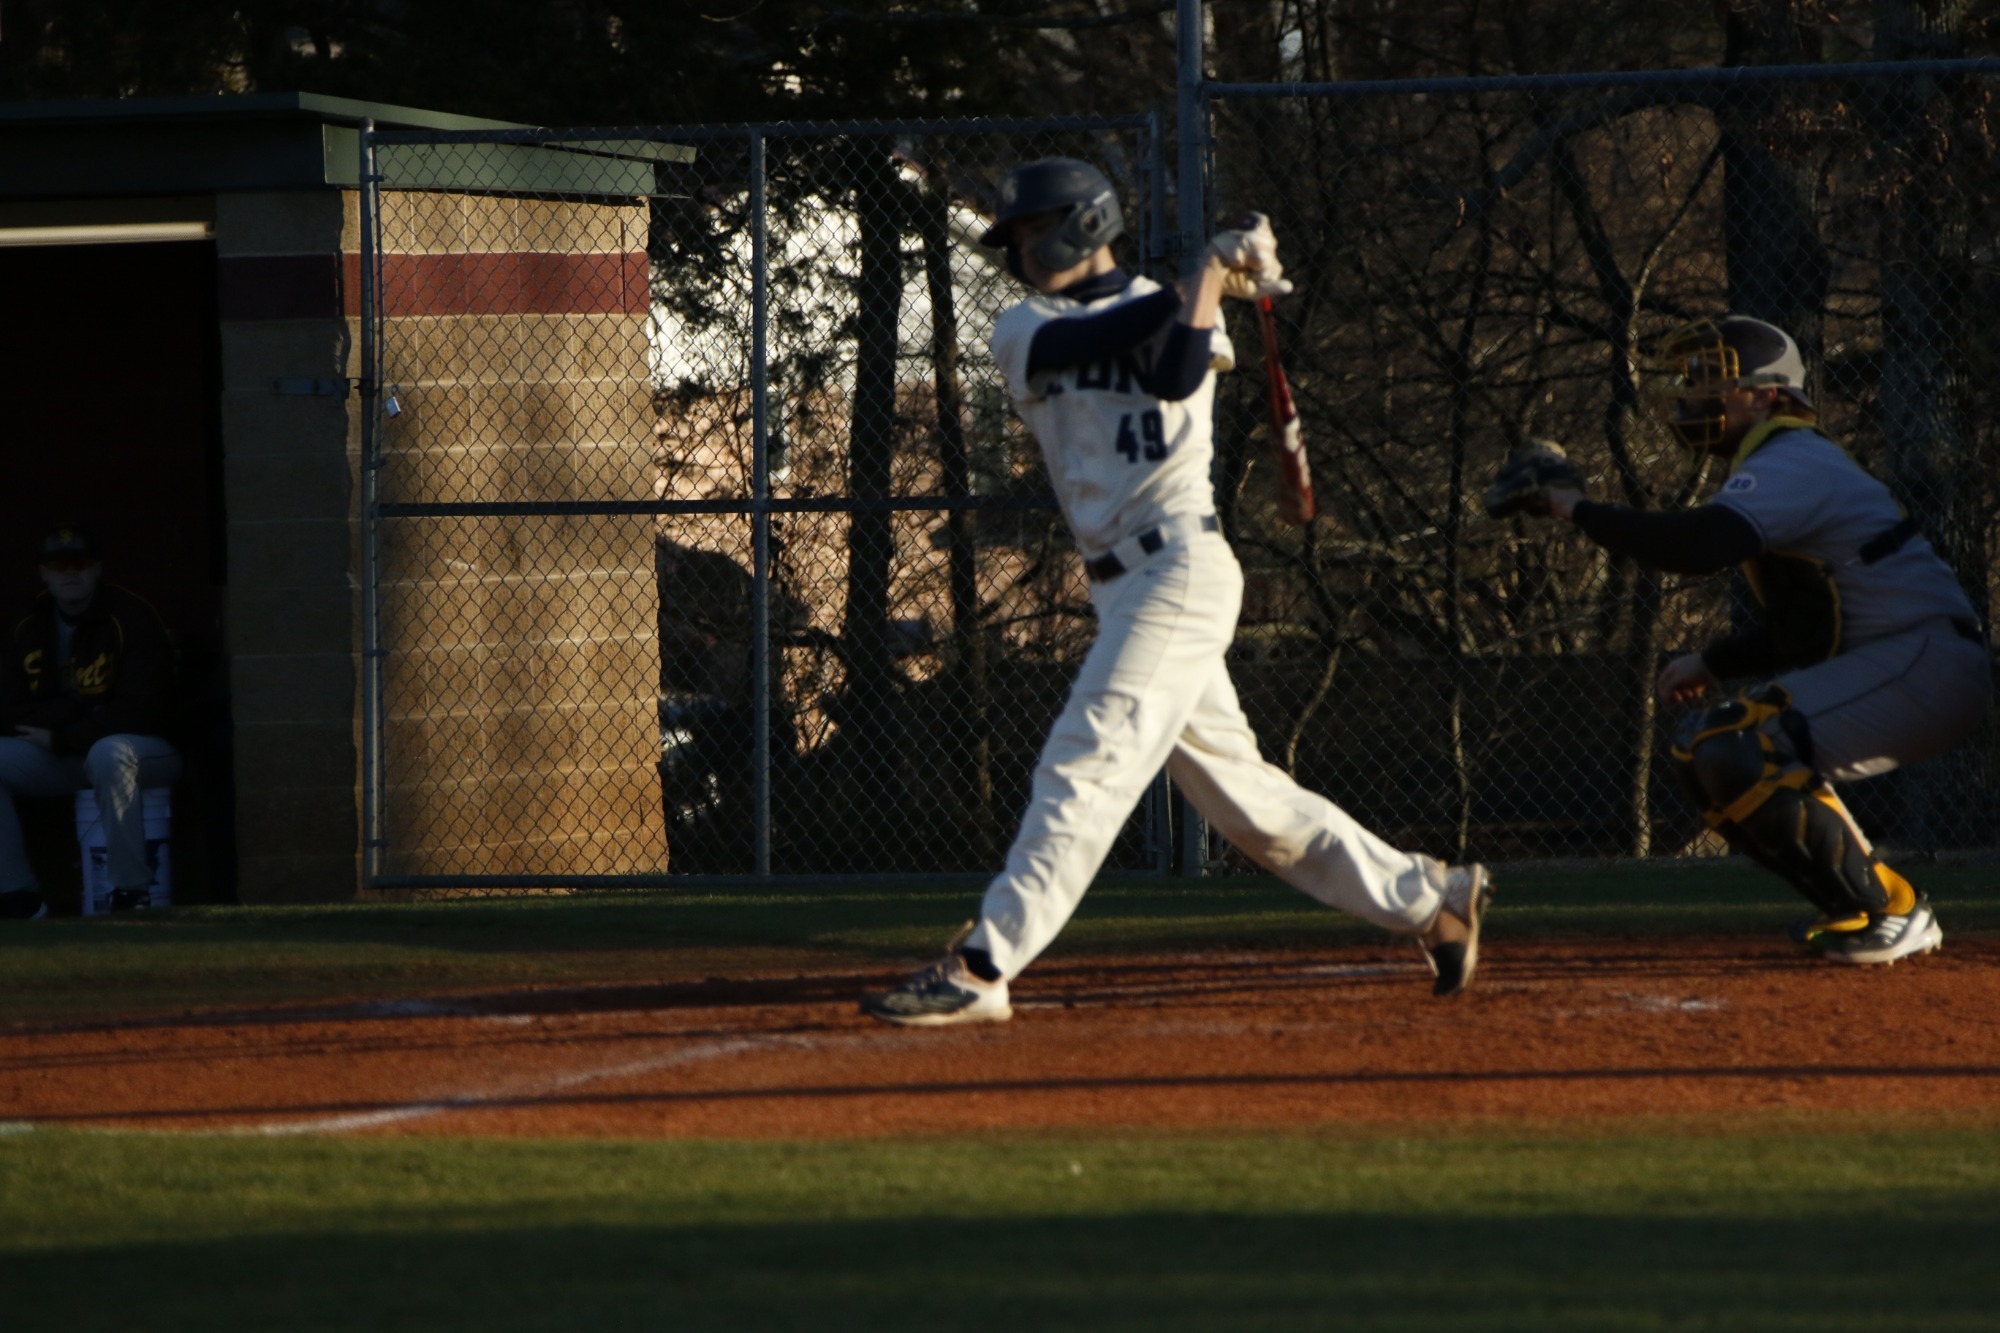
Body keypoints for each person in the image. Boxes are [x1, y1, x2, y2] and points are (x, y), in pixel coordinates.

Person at [860, 158, 1493, 1026]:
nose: (1024, 250)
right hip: (1123, 587)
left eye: (1036, 229)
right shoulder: (1025, 327)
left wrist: (1212, 277)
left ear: (1089, 222)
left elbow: (1173, 368)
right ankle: (1431, 897)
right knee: (1251, 805)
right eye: (1015, 237)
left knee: (1085, 765)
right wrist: (1216, 269)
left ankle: (982, 963)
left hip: (1179, 571)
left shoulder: (1184, 312)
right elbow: (1109, 344)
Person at [1526, 316, 1990, 965]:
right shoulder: (1779, 460)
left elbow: (1696, 546)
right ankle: (1869, 906)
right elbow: (1806, 630)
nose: (1694, 391)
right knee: (1703, 749)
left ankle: (1891, 911)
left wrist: (1573, 506)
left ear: (1767, 395)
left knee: (1736, 741)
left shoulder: (1792, 457)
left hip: (1928, 661)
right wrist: (1715, 660)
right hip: (1913, 662)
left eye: (1715, 378)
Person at [0, 525, 182, 919]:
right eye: (58, 565)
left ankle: (131, 893)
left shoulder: (132, 616)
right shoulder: (29, 624)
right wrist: (75, 716)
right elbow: (10, 707)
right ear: (44, 574)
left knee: (111, 752)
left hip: (147, 750)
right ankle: (19, 897)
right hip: (64, 748)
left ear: (97, 569)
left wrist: (65, 733)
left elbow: (140, 709)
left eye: (79, 564)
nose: (70, 573)